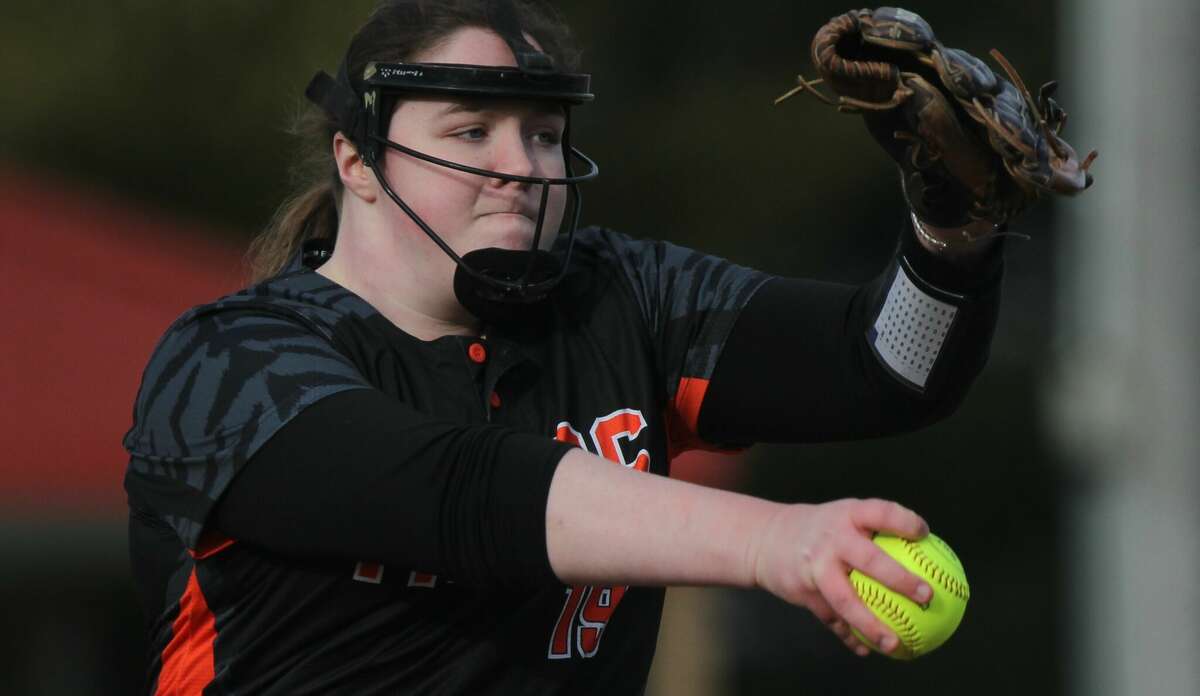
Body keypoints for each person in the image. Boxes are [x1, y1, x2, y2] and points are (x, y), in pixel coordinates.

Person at [123, 1, 1005, 693]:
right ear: (357, 159)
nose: (523, 164)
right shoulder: (230, 362)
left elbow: (884, 365)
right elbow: (466, 494)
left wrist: (953, 230)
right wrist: (773, 541)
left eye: (544, 134)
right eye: (471, 131)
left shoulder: (616, 297)